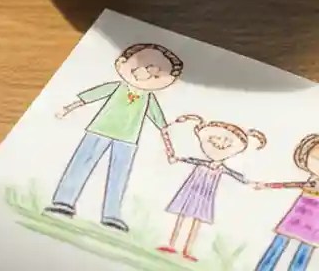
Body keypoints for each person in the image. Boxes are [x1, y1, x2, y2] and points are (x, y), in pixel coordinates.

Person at [46, 42, 183, 232]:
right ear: (121, 64)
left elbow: (161, 125)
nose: (147, 75)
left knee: (119, 176)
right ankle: (63, 201)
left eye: (157, 74)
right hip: (98, 131)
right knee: (81, 164)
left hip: (127, 140)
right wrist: (67, 109)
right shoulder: (116, 87)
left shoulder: (148, 98)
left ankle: (111, 214)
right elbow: (89, 97)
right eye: (141, 68)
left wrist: (169, 147)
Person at [157, 115, 265, 261]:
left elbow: (236, 175)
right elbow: (189, 159)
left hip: (205, 195)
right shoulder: (203, 163)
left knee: (197, 220)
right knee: (182, 215)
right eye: (214, 141)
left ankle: (187, 249)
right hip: (190, 190)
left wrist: (250, 183)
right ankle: (172, 243)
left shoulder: (221, 168)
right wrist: (176, 159)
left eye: (227, 144)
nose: (220, 145)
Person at [253, 134, 319, 271]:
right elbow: (290, 184)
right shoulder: (311, 180)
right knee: (279, 244)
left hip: (314, 223)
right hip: (297, 215)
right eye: (316, 158)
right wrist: (268, 186)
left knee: (304, 252)